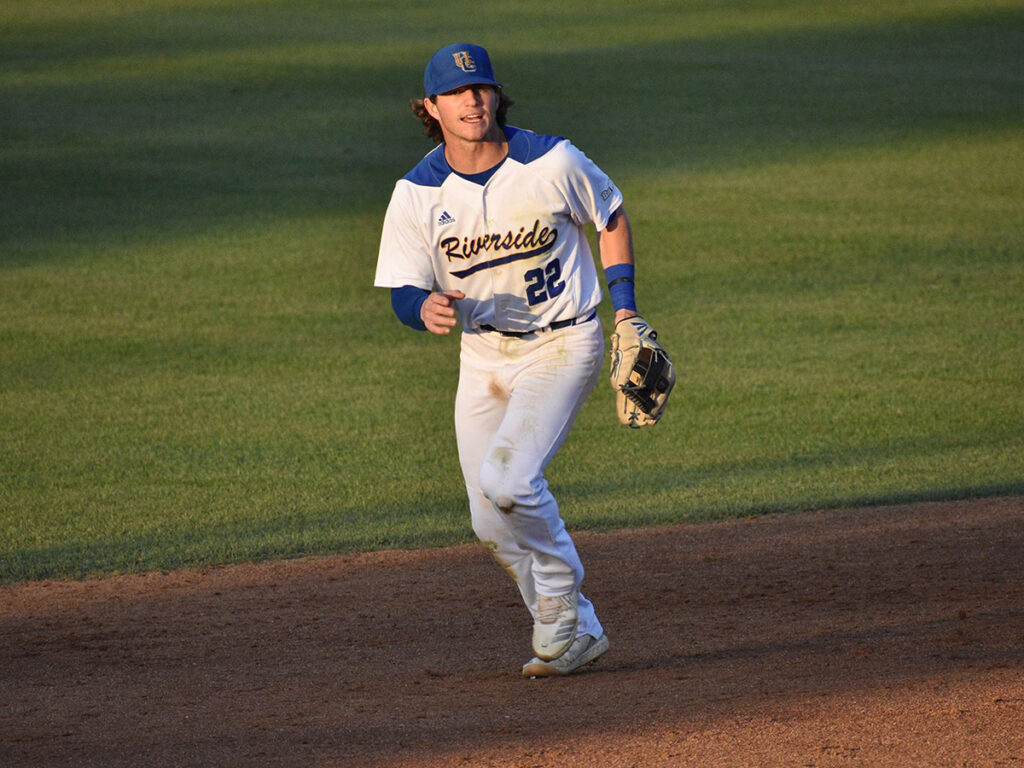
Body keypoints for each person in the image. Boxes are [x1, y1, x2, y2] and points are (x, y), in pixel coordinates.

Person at [375, 43, 643, 677]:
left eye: (482, 89)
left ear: (496, 95)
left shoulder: (552, 160)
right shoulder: (416, 193)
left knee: (510, 482)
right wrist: (423, 310)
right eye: (457, 94)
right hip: (483, 358)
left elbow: (610, 216)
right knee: (487, 520)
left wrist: (626, 309)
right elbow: (403, 290)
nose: (473, 101)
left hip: (563, 342)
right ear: (430, 107)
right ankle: (577, 629)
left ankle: (556, 593)